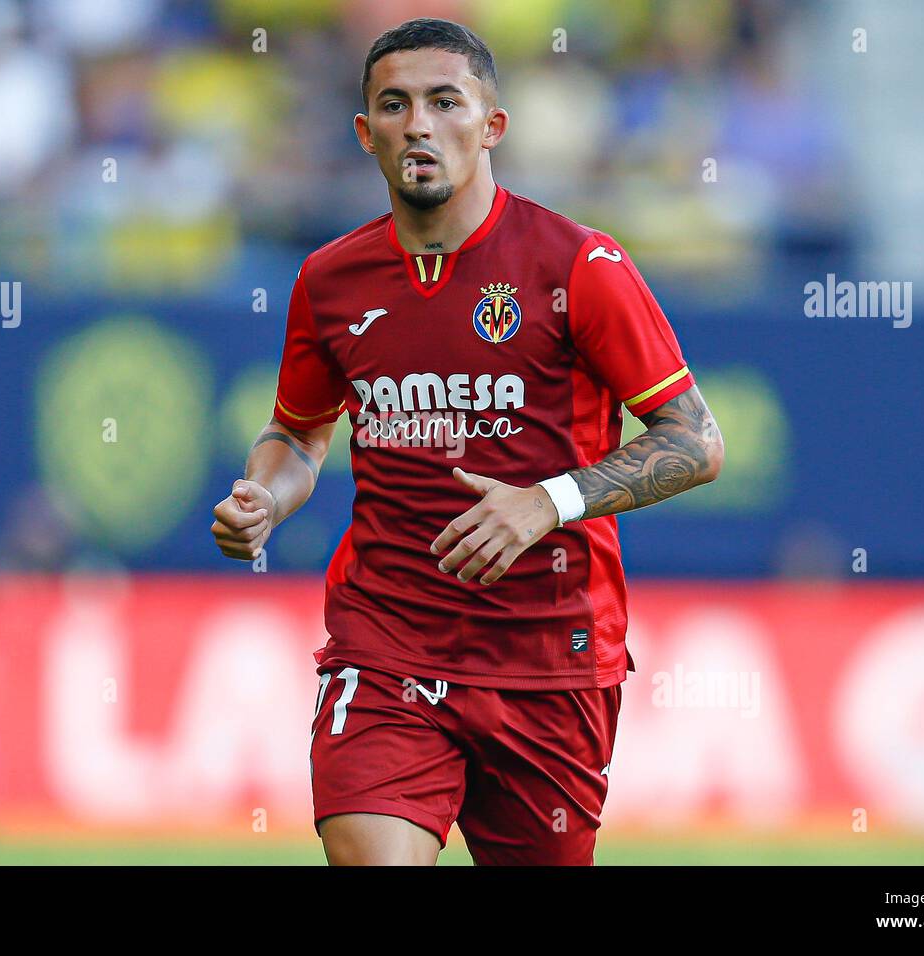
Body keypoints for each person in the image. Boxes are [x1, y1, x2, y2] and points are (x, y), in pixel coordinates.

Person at [211, 18, 724, 865]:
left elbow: (696, 442)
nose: (418, 124)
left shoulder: (579, 266)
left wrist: (546, 503)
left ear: (492, 126)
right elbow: (298, 434)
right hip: (386, 642)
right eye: (394, 105)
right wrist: (265, 494)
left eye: (445, 102)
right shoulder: (329, 281)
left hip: (550, 658)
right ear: (365, 131)